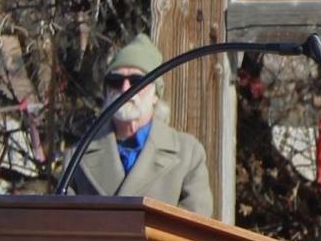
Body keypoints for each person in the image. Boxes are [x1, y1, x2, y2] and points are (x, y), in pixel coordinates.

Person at [66, 33, 213, 216]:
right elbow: (63, 225)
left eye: (137, 82)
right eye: (115, 81)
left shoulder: (188, 154)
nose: (125, 89)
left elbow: (195, 229)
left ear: (156, 95)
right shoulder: (77, 156)